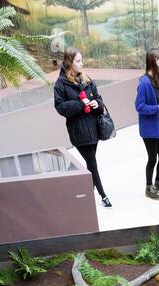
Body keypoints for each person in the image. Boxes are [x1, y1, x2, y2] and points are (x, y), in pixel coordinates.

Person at [53, 48, 112, 208]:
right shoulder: (61, 84)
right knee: (92, 162)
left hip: (94, 129)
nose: (81, 64)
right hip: (78, 132)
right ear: (69, 62)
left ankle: (90, 185)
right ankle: (103, 195)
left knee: (91, 161)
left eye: (81, 60)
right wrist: (80, 104)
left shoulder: (87, 80)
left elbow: (99, 100)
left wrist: (96, 104)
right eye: (78, 61)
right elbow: (60, 107)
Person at [135, 49, 159, 200]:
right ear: (155, 60)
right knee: (152, 158)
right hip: (150, 129)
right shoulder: (144, 83)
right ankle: (149, 187)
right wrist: (157, 108)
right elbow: (139, 106)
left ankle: (158, 182)